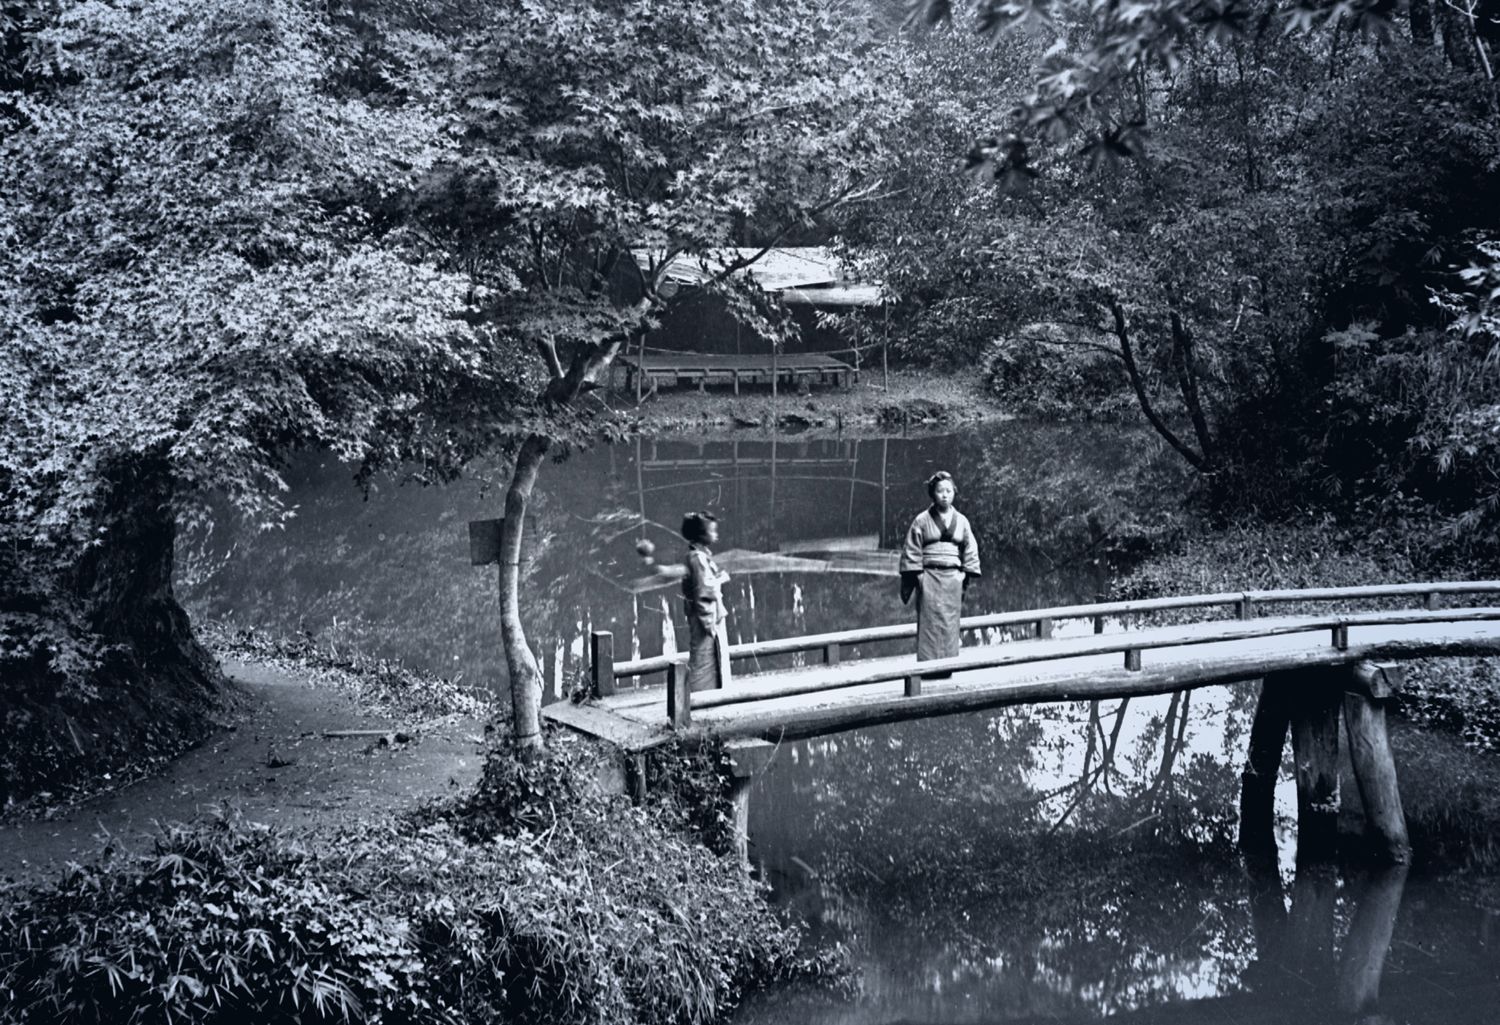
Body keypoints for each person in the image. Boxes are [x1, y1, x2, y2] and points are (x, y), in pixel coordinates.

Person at [899, 471, 982, 661]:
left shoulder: (962, 521)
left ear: (954, 492)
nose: (945, 495)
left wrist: (964, 575)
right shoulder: (921, 520)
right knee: (928, 623)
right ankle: (928, 667)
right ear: (932, 493)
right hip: (929, 577)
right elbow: (912, 549)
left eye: (948, 491)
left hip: (953, 579)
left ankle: (948, 666)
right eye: (940, 491)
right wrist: (919, 576)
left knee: (950, 624)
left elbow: (970, 548)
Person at [681, 511, 732, 690]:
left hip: (707, 615)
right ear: (701, 535)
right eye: (712, 531)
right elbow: (704, 590)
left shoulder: (698, 556)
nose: (715, 535)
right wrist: (721, 579)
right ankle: (697, 697)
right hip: (705, 618)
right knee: (703, 658)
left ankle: (711, 695)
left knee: (710, 657)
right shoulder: (697, 558)